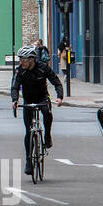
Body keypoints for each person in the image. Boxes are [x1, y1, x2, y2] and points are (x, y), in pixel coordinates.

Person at [10, 44, 64, 175]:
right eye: (20, 59)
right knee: (29, 132)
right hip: (28, 100)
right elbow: (15, 87)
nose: (21, 62)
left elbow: (56, 82)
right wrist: (15, 100)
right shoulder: (20, 71)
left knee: (47, 113)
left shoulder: (43, 68)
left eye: (24, 59)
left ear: (32, 59)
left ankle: (47, 136)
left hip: (42, 97)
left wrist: (60, 97)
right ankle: (29, 161)